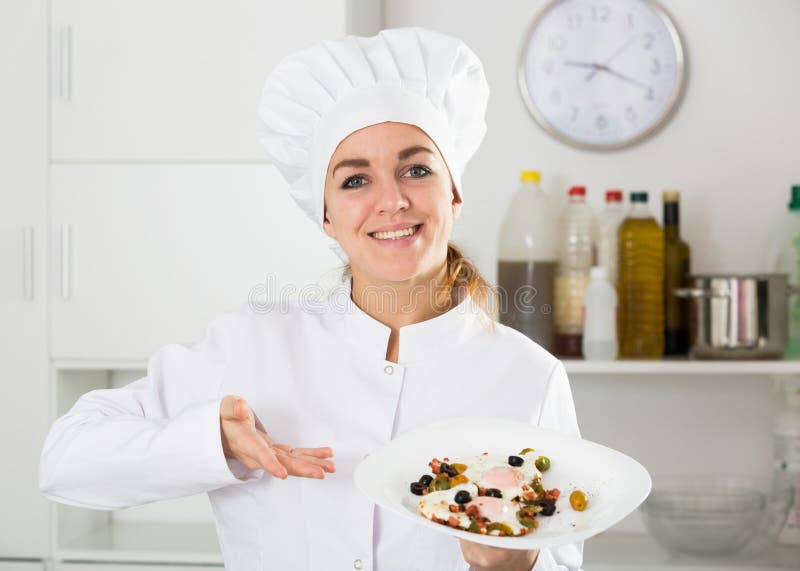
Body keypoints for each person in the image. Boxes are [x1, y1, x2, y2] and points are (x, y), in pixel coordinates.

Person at [39, 27, 582, 571]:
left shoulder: (529, 377)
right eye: (354, 181)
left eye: (416, 170)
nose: (391, 200)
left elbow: (563, 555)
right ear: (324, 215)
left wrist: (517, 565)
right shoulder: (249, 345)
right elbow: (65, 460)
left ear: (454, 192)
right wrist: (214, 444)